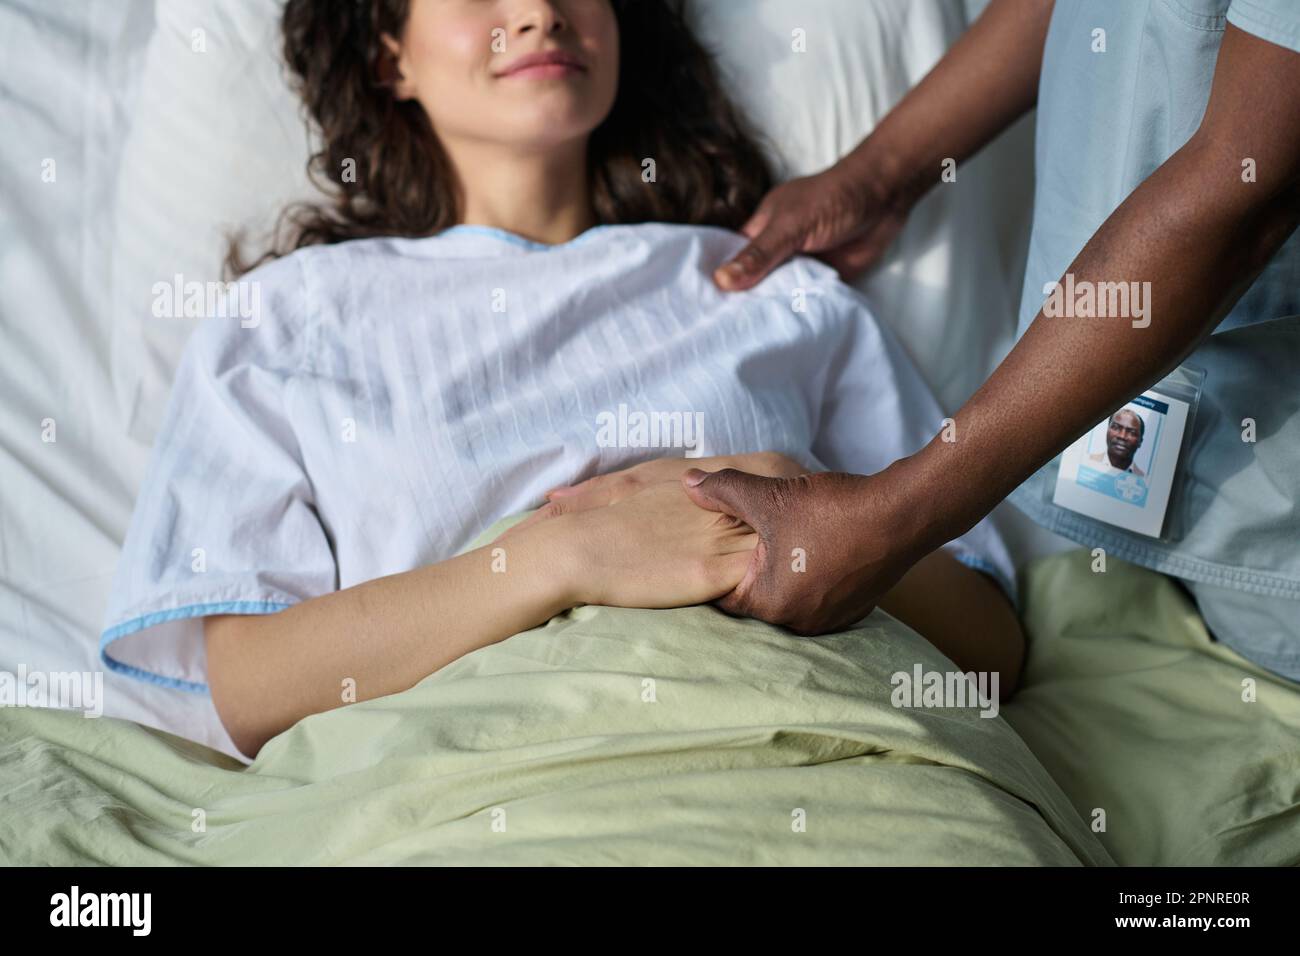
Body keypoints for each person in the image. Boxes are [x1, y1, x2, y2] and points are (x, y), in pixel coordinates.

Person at [100, 0, 1022, 759]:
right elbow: (250, 688)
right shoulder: (288, 319)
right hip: (474, 788)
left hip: (827, 763)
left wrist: (788, 497)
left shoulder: (766, 291)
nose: (539, 13)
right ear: (392, 59)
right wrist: (559, 558)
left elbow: (989, 645)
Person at [563, 0, 1300, 681]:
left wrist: (897, 519)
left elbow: (1249, 183)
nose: (532, 17)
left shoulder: (798, 305)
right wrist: (880, 176)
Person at [1088, 410, 1145, 476]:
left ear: (1140, 442)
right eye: (1116, 428)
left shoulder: (1144, 479)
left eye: (1132, 432)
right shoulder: (1087, 461)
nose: (1122, 436)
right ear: (1107, 431)